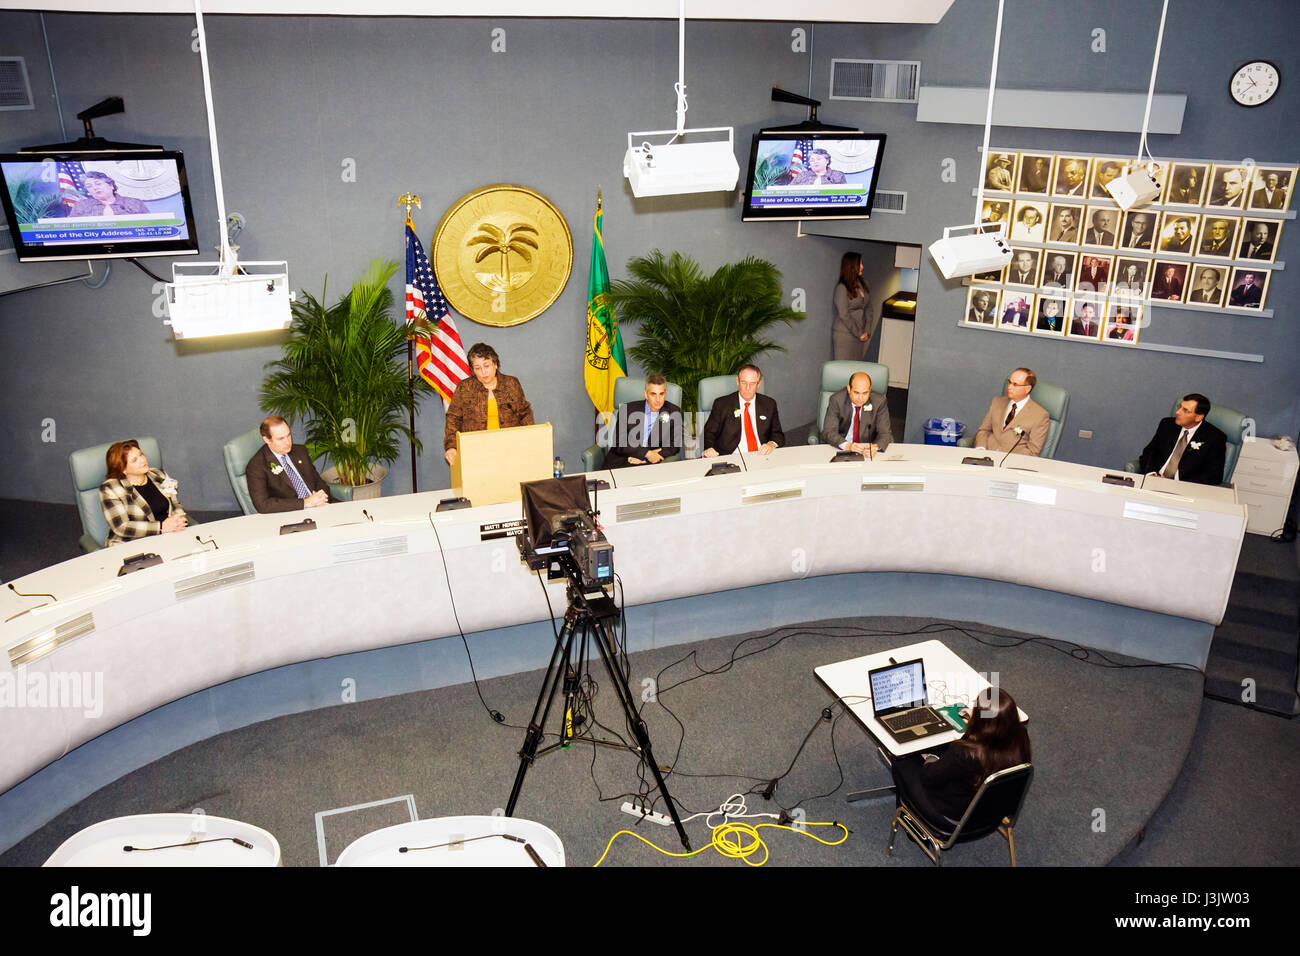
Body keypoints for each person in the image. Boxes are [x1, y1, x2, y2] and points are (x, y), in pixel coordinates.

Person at [889, 687, 1031, 825]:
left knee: (902, 760)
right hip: (993, 811)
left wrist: (931, 758)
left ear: (981, 722)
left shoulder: (965, 752)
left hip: (955, 815)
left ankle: (911, 822)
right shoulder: (1020, 736)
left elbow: (928, 778)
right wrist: (977, 722)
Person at [443, 342, 534, 466]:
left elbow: (525, 413)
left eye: (487, 366)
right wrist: (451, 446)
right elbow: (453, 418)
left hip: (511, 447)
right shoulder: (464, 387)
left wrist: (530, 440)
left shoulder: (511, 383)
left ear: (495, 364)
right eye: (477, 368)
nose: (483, 372)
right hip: (475, 451)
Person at [98, 439, 188, 546]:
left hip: (168, 535)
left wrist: (179, 520)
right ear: (123, 469)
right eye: (135, 460)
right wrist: (161, 527)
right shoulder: (110, 488)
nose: (142, 460)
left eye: (141, 455)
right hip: (131, 543)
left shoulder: (158, 474)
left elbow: (175, 503)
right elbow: (121, 526)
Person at [245, 415, 332, 512]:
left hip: (322, 505)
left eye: (288, 435)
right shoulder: (257, 466)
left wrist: (321, 496)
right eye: (281, 438)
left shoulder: (300, 451)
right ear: (267, 440)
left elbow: (318, 481)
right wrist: (305, 503)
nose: (287, 442)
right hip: (292, 512)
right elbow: (263, 504)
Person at [1138, 393, 1227, 485]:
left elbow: (1214, 476)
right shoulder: (1167, 425)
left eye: (1185, 410)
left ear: (1198, 417)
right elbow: (1149, 453)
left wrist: (1177, 484)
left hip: (1185, 488)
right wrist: (1152, 474)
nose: (1178, 412)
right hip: (1155, 480)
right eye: (1180, 407)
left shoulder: (1215, 438)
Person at [604, 374, 684, 469]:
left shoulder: (673, 412)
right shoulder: (627, 409)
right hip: (622, 460)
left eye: (661, 394)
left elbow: (673, 447)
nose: (658, 400)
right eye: (653, 394)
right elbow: (620, 443)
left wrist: (647, 458)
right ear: (645, 394)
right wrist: (645, 454)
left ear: (665, 393)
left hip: (650, 464)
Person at [701, 364, 784, 457]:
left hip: (761, 455)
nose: (747, 388)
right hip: (732, 456)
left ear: (758, 384)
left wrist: (771, 444)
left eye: (752, 384)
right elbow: (708, 434)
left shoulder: (769, 404)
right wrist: (709, 449)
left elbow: (778, 435)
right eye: (744, 383)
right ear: (738, 381)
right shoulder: (721, 404)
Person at [973, 367, 1049, 456]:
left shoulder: (1040, 415)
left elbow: (1033, 451)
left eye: (1015, 384)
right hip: (985, 456)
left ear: (1027, 389)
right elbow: (983, 430)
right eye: (1009, 382)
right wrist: (980, 449)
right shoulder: (997, 402)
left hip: (1011, 462)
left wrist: (1005, 458)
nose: (1009, 387)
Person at [820, 371, 891, 455]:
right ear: (849, 389)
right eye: (856, 393)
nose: (860, 398)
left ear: (870, 390)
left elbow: (885, 433)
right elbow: (829, 431)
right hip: (841, 447)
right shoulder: (836, 400)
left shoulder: (879, 402)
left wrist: (875, 447)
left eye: (865, 393)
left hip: (866, 450)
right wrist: (848, 446)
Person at [831, 252, 871, 360]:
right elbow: (844, 315)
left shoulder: (864, 284)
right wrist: (859, 333)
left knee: (855, 371)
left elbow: (868, 309)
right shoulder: (842, 288)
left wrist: (867, 331)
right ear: (851, 266)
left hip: (860, 336)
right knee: (843, 371)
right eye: (860, 264)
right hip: (845, 335)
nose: (862, 267)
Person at [67, 171, 150, 217]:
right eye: (89, 186)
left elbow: (149, 225)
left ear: (111, 185)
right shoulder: (80, 206)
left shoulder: (135, 203)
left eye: (98, 183)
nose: (94, 188)